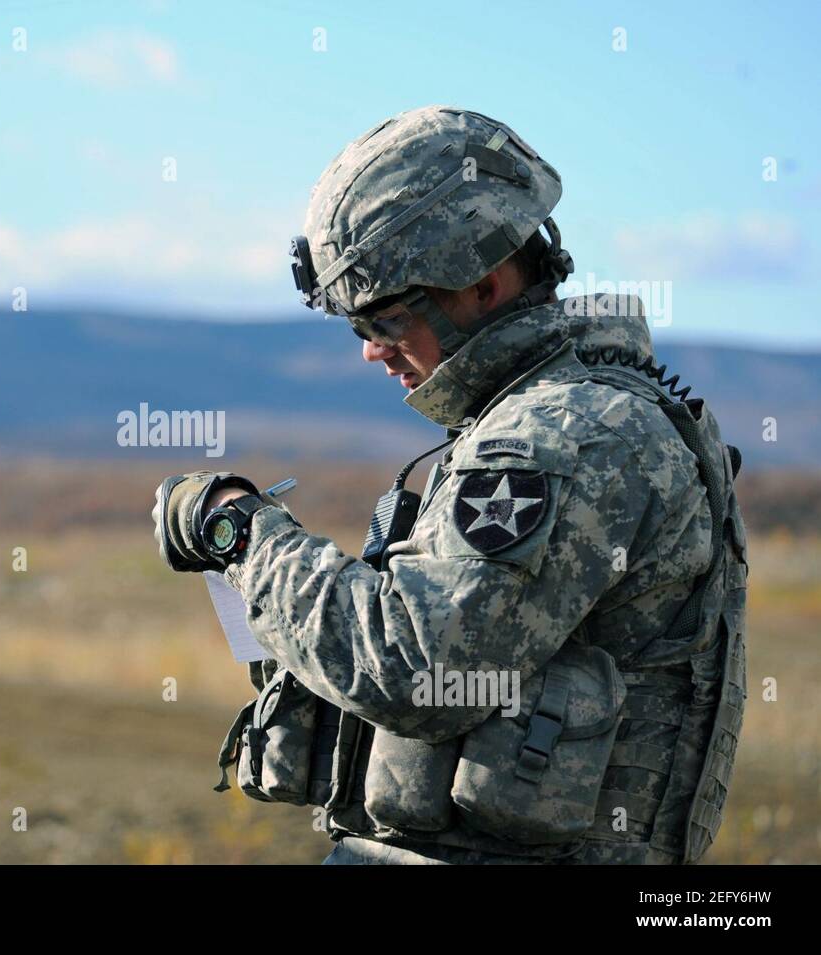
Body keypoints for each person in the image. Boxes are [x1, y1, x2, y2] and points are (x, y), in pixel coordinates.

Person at [152, 106, 748, 864]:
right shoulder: (550, 416)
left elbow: (416, 669)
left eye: (385, 320)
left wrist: (240, 529)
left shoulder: (566, 435)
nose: (371, 353)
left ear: (486, 287)